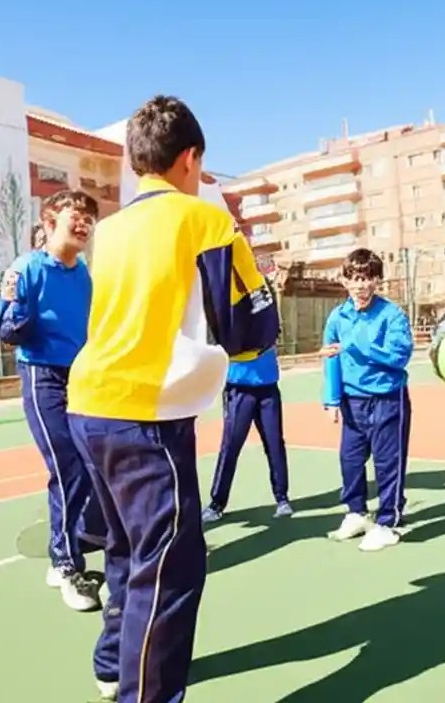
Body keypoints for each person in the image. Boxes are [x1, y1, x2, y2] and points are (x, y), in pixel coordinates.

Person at [66, 95, 279, 703]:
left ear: (137, 163)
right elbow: (248, 323)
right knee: (171, 567)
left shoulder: (108, 231)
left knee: (125, 549)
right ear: (191, 158)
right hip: (147, 412)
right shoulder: (204, 218)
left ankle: (112, 662)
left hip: (90, 401)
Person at [0, 189, 107, 614]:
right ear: (48, 224)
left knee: (97, 458)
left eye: (88, 220)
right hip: (43, 376)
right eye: (74, 217)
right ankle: (63, 564)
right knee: (67, 467)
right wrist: (16, 306)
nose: (82, 225)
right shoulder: (26, 267)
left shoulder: (84, 275)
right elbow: (7, 331)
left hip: (82, 376)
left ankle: (88, 532)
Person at [320, 248, 415, 552]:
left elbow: (399, 357)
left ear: (377, 281)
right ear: (344, 280)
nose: (361, 285)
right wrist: (331, 399)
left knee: (389, 462)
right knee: (350, 459)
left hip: (388, 398)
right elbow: (331, 358)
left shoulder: (391, 314)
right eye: (355, 278)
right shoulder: (338, 316)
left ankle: (388, 521)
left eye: (367, 278)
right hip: (352, 402)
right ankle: (356, 512)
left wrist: (356, 347)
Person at [203, 345, 293, 523]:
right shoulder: (232, 320)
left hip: (268, 389)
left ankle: (282, 498)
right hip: (238, 389)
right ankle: (217, 503)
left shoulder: (267, 318)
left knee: (275, 445)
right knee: (230, 447)